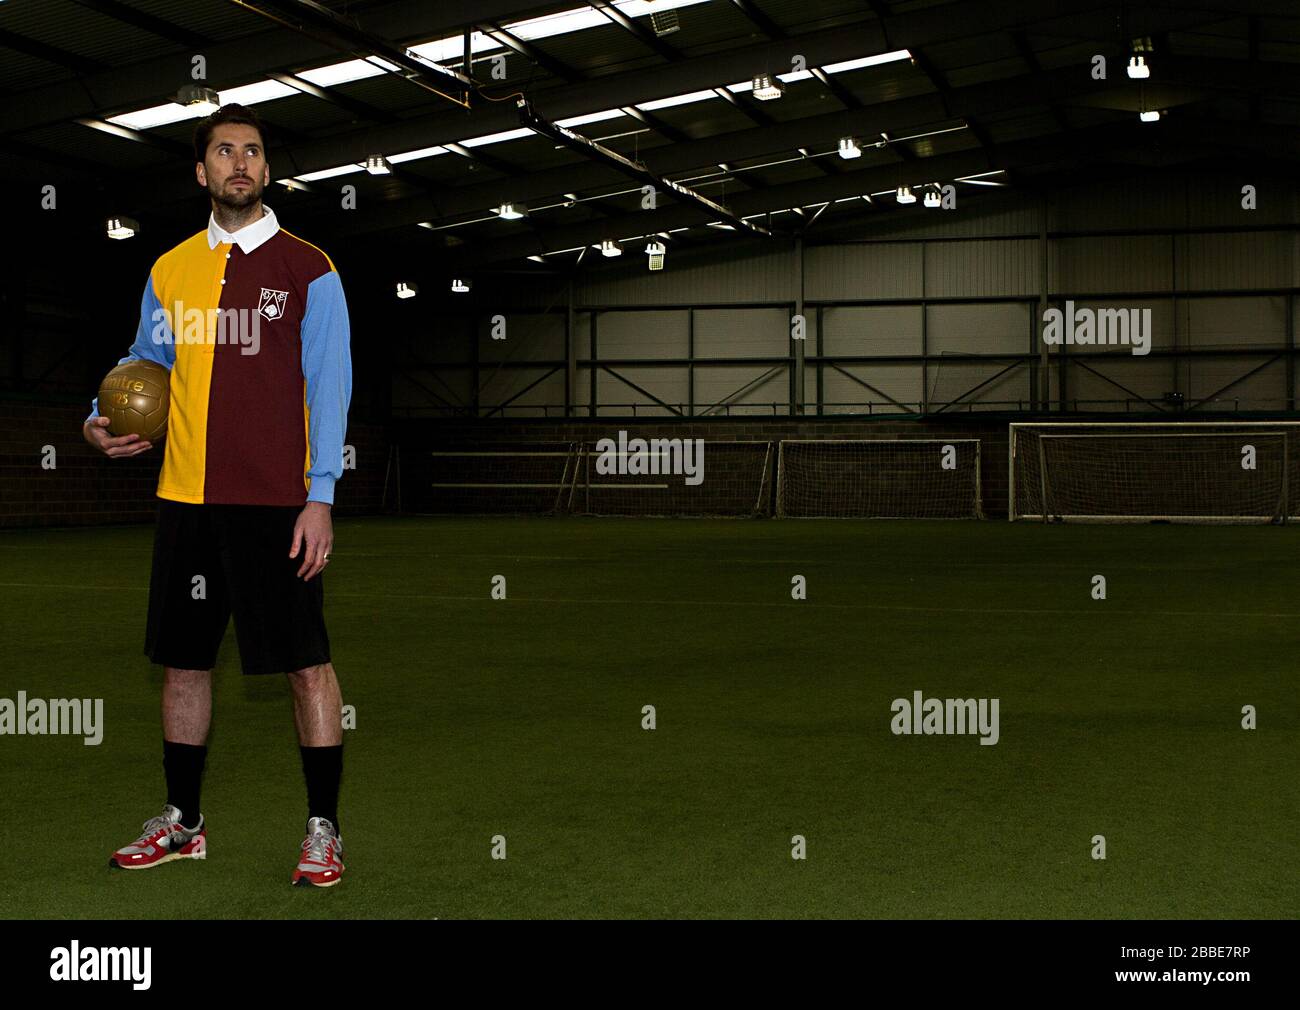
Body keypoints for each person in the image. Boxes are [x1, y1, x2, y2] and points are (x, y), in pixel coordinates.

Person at [83, 103, 352, 887]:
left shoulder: (311, 268)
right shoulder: (169, 270)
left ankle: (323, 828)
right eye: (224, 151)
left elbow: (329, 388)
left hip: (278, 502)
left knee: (307, 665)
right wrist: (98, 420)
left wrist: (321, 495)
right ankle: (184, 824)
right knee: (183, 665)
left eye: (254, 152)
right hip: (186, 500)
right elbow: (143, 367)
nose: (240, 162)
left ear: (267, 171)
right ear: (201, 172)